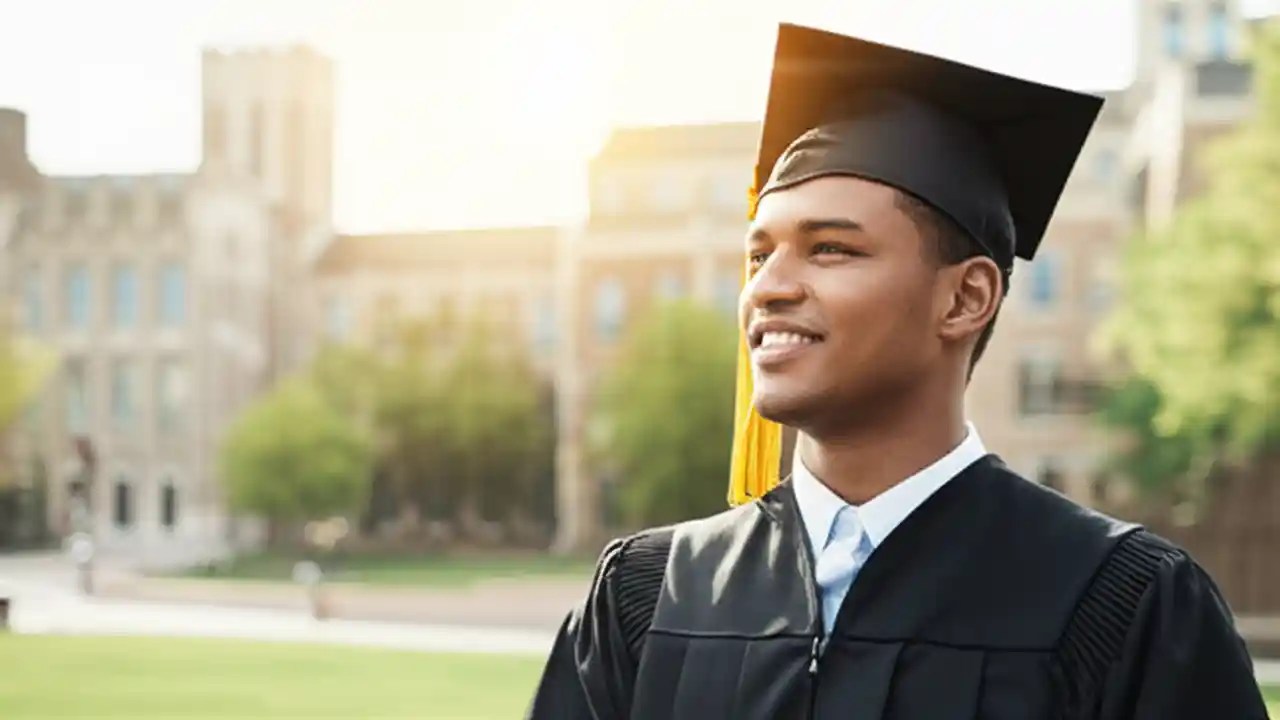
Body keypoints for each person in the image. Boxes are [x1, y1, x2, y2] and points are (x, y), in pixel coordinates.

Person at [527, 23, 1268, 720]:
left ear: (965, 297)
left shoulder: (1122, 602)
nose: (767, 287)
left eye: (830, 249)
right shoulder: (647, 597)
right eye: (759, 254)